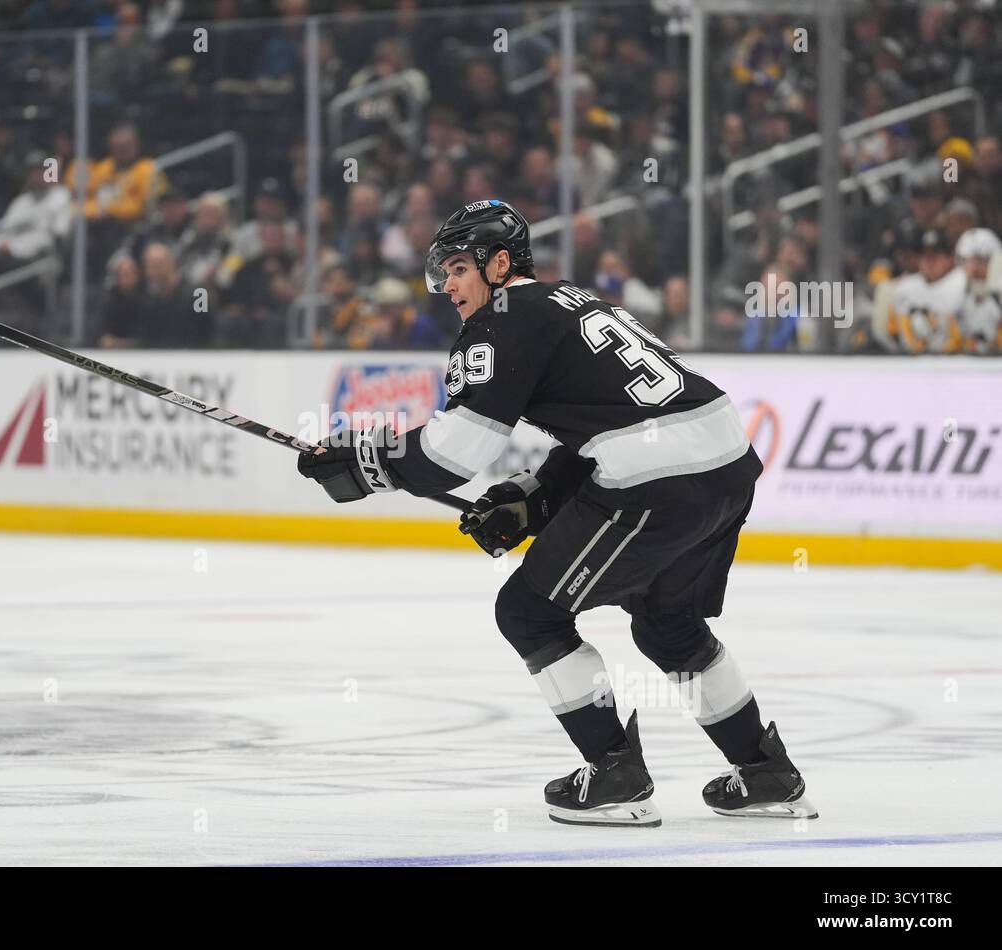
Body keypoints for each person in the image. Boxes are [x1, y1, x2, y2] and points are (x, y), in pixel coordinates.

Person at [296, 200, 815, 827]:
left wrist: (361, 460)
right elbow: (611, 419)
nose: (449, 287)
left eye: (459, 268)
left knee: (528, 612)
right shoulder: (567, 299)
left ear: (500, 264)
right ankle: (766, 771)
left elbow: (451, 455)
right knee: (666, 624)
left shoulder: (499, 322)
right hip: (728, 464)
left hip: (661, 479)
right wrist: (535, 497)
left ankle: (616, 774)